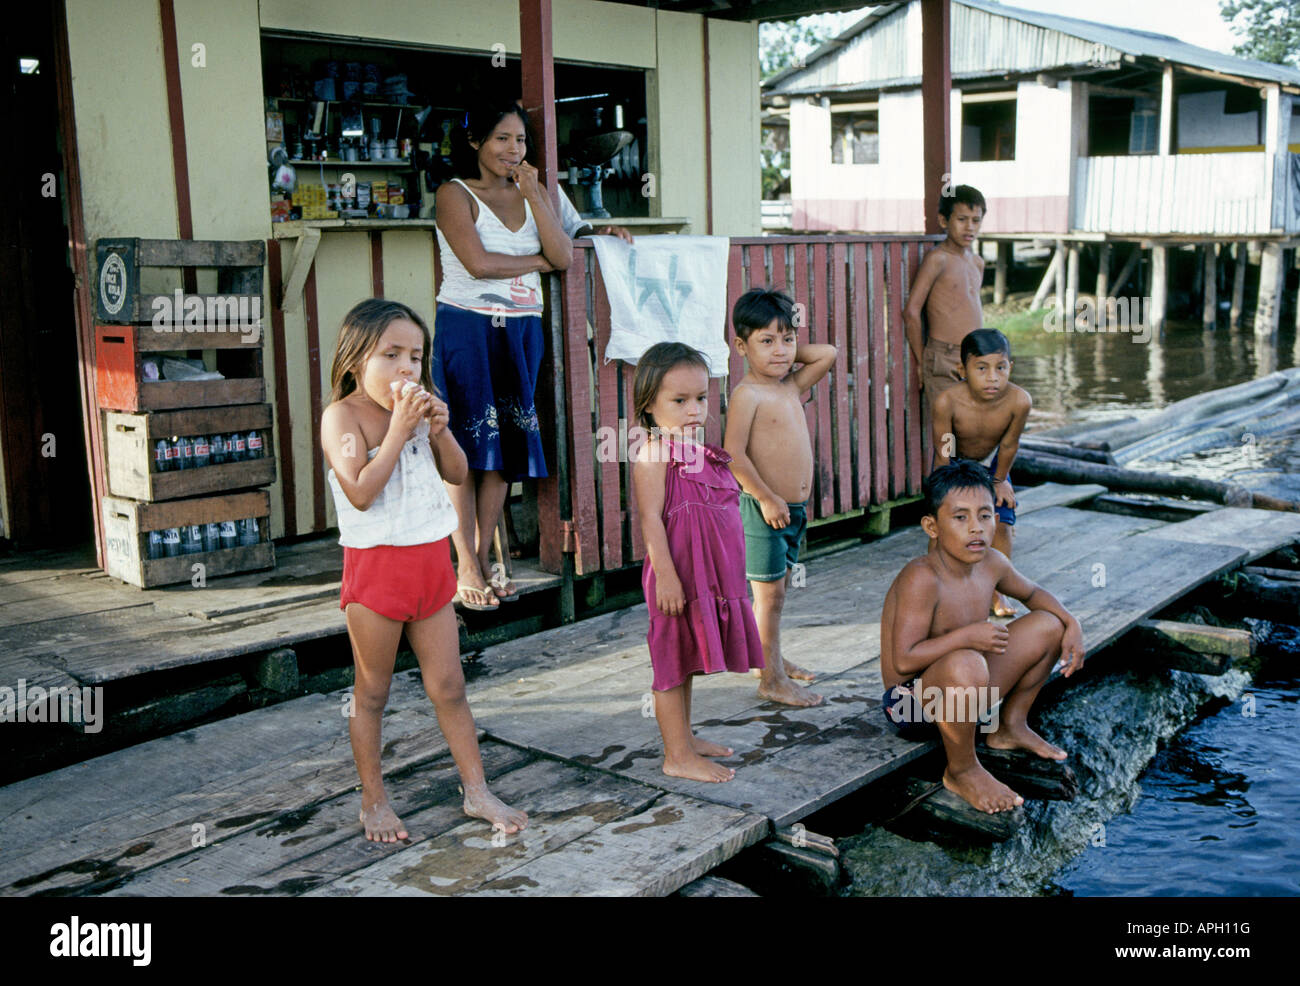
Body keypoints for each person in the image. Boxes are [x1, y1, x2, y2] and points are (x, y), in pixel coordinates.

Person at [320, 298, 527, 841]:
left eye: (415, 356)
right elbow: (361, 491)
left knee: (450, 687)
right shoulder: (342, 416)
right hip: (376, 571)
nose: (406, 368)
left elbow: (458, 473)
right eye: (390, 355)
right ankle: (373, 801)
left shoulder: (420, 409)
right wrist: (399, 429)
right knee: (371, 693)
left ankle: (476, 791)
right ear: (352, 360)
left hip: (430, 564)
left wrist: (439, 429)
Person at [433, 96, 629, 611]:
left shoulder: (537, 191)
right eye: (501, 139)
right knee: (467, 446)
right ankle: (467, 564)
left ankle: (481, 553)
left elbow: (565, 253)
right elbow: (475, 264)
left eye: (520, 140)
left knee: (503, 451)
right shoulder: (454, 194)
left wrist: (537, 196)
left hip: (521, 329)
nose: (513, 149)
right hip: (468, 327)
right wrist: (538, 263)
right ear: (475, 141)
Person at [879, 461, 1084, 814]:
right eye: (960, 518)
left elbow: (1034, 594)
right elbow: (904, 661)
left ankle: (1010, 727)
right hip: (911, 705)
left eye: (985, 516)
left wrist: (1072, 623)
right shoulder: (922, 576)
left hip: (966, 691)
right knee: (966, 660)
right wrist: (967, 636)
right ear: (932, 526)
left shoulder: (992, 562)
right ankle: (961, 769)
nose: (976, 528)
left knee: (1049, 625)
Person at [632, 342, 765, 783]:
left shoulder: (700, 451)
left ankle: (685, 738)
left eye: (702, 398)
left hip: (706, 577)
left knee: (688, 657)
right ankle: (676, 756)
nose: (695, 410)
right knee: (671, 662)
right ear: (650, 406)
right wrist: (667, 578)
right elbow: (651, 519)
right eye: (679, 401)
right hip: (676, 577)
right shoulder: (654, 453)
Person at [723, 288, 836, 708]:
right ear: (741, 346)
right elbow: (733, 454)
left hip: (792, 511)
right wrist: (767, 497)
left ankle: (766, 658)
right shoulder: (748, 394)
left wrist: (785, 344)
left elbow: (827, 354)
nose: (780, 351)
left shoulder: (789, 384)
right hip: (763, 508)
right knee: (769, 597)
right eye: (766, 342)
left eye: (787, 339)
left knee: (777, 592)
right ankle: (771, 679)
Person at [931, 328, 1031, 617]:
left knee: (1001, 520)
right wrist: (943, 489)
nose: (992, 377)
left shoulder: (1019, 401)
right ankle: (938, 588)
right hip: (955, 462)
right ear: (963, 369)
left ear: (1010, 367)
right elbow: (943, 449)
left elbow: (1010, 444)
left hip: (994, 465)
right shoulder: (947, 401)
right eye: (982, 368)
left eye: (1000, 368)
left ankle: (996, 592)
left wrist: (1000, 481)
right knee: (943, 525)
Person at [904, 185, 987, 424]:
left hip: (975, 357)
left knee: (975, 426)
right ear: (944, 220)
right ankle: (945, 464)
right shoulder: (938, 259)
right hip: (944, 357)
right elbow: (911, 312)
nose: (969, 227)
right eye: (962, 219)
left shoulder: (977, 263)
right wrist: (922, 361)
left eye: (975, 220)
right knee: (950, 429)